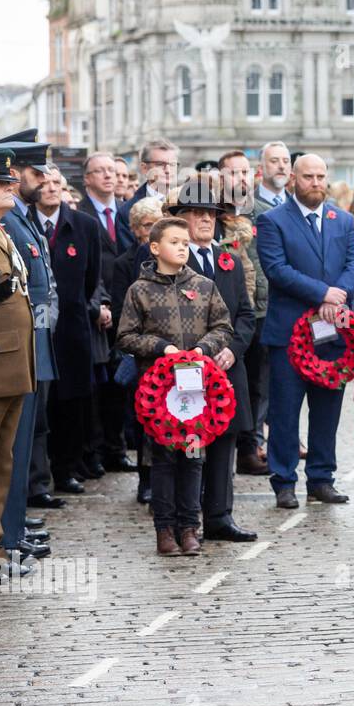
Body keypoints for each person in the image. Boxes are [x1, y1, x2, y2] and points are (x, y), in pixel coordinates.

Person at [116, 213, 233, 555]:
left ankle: (190, 527)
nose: (182, 248)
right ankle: (165, 530)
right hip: (159, 394)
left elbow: (222, 327)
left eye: (185, 243)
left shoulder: (203, 286)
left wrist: (202, 349)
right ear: (155, 247)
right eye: (174, 242)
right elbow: (125, 336)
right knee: (164, 461)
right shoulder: (139, 291)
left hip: (197, 390)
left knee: (194, 457)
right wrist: (160, 348)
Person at [256, 154, 354, 509]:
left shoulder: (342, 219)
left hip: (332, 333)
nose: (316, 183)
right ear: (292, 180)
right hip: (288, 334)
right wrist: (321, 293)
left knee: (327, 410)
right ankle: (284, 481)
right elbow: (276, 268)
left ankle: (321, 478)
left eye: (320, 176)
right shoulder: (273, 221)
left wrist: (340, 295)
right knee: (285, 412)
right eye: (308, 177)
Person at [172, 183, 258, 542]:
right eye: (197, 213)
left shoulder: (230, 261)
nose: (206, 219)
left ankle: (220, 516)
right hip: (188, 368)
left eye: (211, 213)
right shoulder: (173, 260)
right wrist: (205, 352)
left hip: (226, 366)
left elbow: (246, 315)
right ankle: (186, 518)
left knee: (225, 440)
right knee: (190, 444)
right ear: (181, 219)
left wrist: (232, 350)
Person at [33, 151, 104, 496]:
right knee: (40, 404)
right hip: (37, 328)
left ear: (64, 188)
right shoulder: (24, 223)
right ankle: (38, 473)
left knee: (72, 400)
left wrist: (76, 306)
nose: (50, 189)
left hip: (73, 327)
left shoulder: (84, 226)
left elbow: (92, 279)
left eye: (56, 184)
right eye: (43, 183)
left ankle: (66, 469)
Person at [0, 146, 36, 582]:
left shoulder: (3, 232)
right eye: (2, 183)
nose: (12, 187)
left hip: (12, 365)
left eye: (11, 182)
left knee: (1, 460)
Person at [217, 148, 270, 476]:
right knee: (228, 379)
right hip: (225, 313)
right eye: (233, 172)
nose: (240, 177)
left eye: (245, 171)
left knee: (257, 384)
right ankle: (224, 445)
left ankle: (250, 447)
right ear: (220, 176)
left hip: (261, 310)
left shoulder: (263, 214)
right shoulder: (212, 213)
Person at [81, 152, 134, 477]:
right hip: (98, 311)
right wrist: (98, 304)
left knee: (122, 384)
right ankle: (97, 449)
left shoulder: (126, 214)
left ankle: (117, 449)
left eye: (112, 171)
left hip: (129, 309)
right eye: (99, 171)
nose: (108, 176)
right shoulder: (80, 215)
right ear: (86, 178)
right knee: (97, 386)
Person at [112, 197, 166, 505]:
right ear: (135, 230)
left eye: (159, 223)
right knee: (146, 418)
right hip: (143, 351)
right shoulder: (125, 264)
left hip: (174, 350)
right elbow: (122, 312)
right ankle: (146, 480)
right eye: (148, 225)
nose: (154, 230)